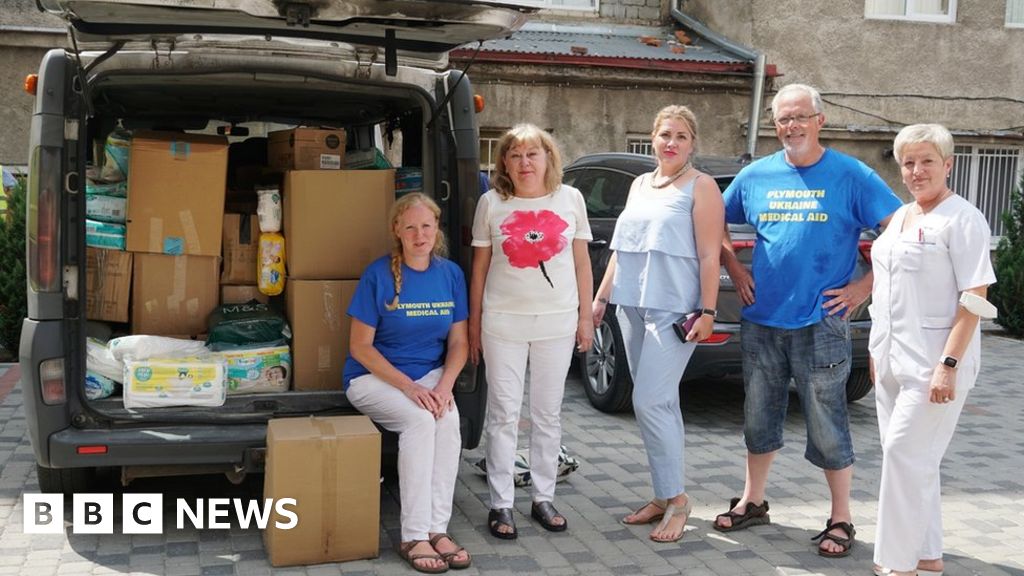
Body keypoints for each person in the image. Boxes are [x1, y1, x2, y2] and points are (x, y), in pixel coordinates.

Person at [714, 83, 902, 558]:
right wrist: (734, 267)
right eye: (781, 119)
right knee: (758, 416)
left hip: (823, 321)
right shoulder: (756, 176)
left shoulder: (851, 174)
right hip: (762, 320)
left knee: (826, 420)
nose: (790, 127)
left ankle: (841, 518)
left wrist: (865, 287)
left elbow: (899, 229)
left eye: (799, 117)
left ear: (820, 120)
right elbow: (710, 219)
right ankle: (753, 500)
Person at [591, 105, 723, 543]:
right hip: (630, 305)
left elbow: (709, 255)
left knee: (649, 400)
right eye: (666, 134)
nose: (672, 142)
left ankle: (679, 500)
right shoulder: (639, 185)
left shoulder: (701, 188)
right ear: (653, 138)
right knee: (660, 405)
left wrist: (708, 312)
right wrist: (601, 297)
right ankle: (663, 494)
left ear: (692, 143)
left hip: (673, 311)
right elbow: (622, 249)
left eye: (681, 136)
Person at [869, 124, 995, 576]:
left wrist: (948, 365)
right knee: (911, 458)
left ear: (948, 164)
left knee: (904, 454)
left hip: (935, 361)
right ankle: (928, 554)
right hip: (890, 357)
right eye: (908, 162)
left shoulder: (963, 219)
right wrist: (875, 348)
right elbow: (886, 286)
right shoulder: (902, 216)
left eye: (927, 161)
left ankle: (894, 564)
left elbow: (975, 298)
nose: (917, 171)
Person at [469, 123, 594, 539]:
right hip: (502, 323)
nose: (524, 162)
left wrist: (585, 317)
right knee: (503, 415)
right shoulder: (491, 203)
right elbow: (480, 270)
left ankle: (543, 497)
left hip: (556, 323)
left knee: (547, 414)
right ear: (504, 161)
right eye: (515, 155)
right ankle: (501, 504)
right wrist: (473, 326)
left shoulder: (570, 199)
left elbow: (581, 264)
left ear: (547, 158)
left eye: (532, 154)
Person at [343, 192, 471, 574]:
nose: (420, 235)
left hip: (430, 374)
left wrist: (445, 385)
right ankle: (413, 535)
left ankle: (437, 528)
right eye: (411, 227)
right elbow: (360, 348)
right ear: (397, 230)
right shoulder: (378, 274)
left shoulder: (450, 274)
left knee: (447, 421)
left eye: (427, 226)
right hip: (372, 377)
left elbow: (460, 342)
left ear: (437, 229)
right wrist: (408, 387)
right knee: (418, 421)